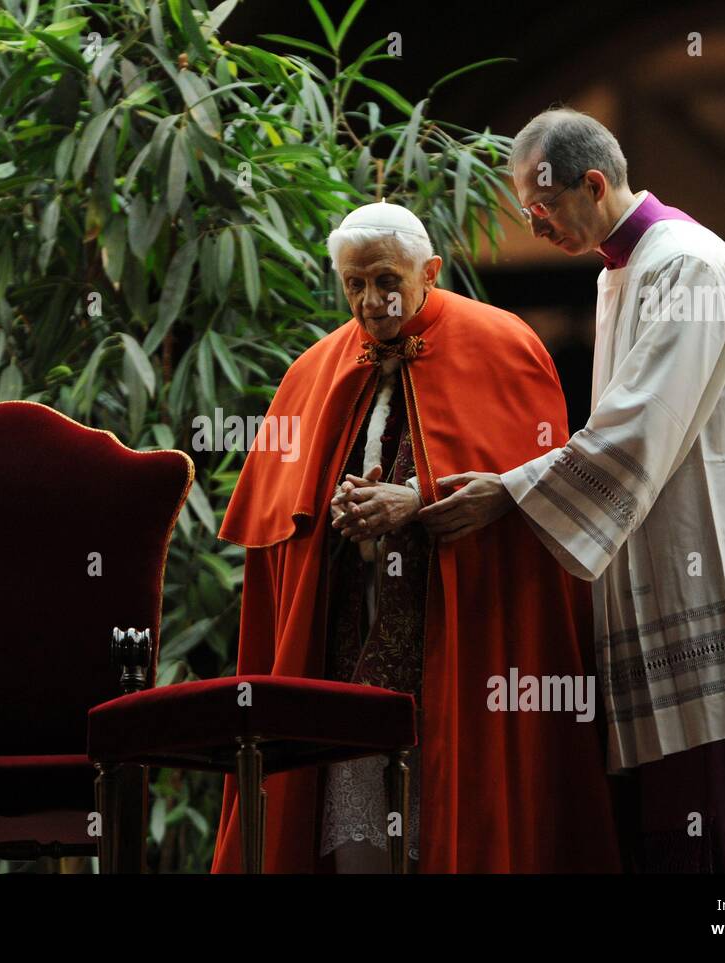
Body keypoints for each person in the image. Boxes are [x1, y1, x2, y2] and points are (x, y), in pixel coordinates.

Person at [420, 108, 725, 872]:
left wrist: (510, 491)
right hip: (664, 575)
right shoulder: (622, 272)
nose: (534, 226)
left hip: (708, 578)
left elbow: (640, 427)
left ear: (595, 183)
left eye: (543, 207)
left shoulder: (688, 265)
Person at [210, 200, 621, 873]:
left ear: (429, 271)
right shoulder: (315, 371)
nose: (372, 302)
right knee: (356, 837)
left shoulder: (502, 345)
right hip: (349, 640)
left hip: (464, 643)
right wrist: (338, 511)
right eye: (355, 285)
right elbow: (283, 532)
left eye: (387, 281)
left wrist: (416, 501)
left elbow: (535, 499)